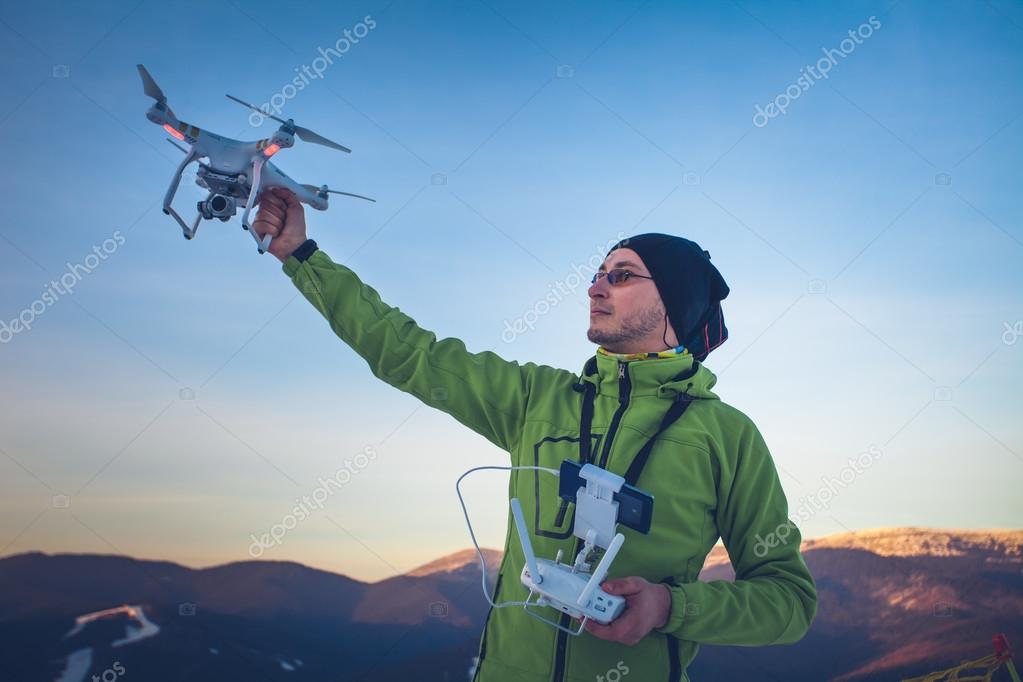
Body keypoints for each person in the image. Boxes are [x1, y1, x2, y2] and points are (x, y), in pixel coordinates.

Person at [253, 188, 817, 681]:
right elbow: (407, 353)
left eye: (620, 276)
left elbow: (788, 601)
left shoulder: (727, 435)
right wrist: (302, 256)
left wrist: (670, 606)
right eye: (597, 275)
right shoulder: (537, 399)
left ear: (674, 302)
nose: (596, 287)